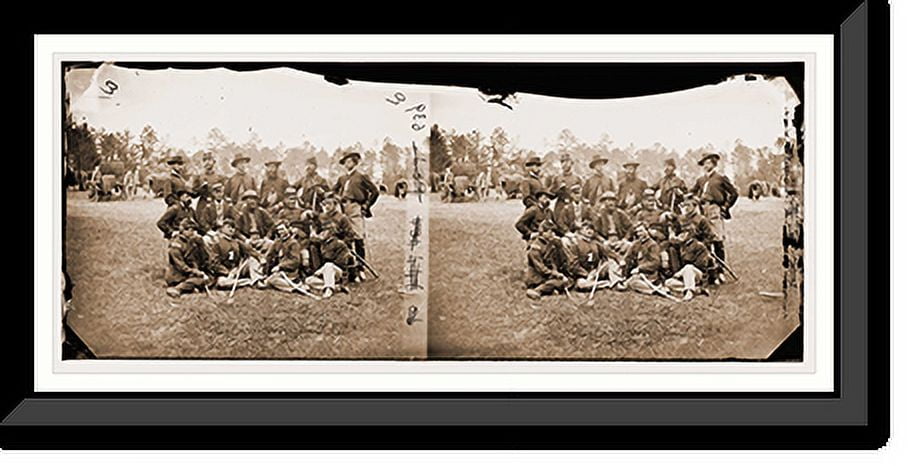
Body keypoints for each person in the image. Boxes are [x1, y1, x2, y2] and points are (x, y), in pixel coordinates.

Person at [691, 152, 739, 280]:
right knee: (705, 240)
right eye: (704, 164)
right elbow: (692, 193)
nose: (706, 166)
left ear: (713, 163)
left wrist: (725, 207)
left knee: (717, 240)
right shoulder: (700, 180)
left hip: (714, 210)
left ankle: (720, 271)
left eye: (708, 163)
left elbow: (734, 193)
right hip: (702, 210)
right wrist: (692, 197)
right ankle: (708, 270)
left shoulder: (721, 178)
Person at [332, 152, 379, 280]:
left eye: (349, 161)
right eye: (345, 162)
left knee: (358, 237)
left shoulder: (361, 176)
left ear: (355, 162)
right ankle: (349, 268)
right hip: (343, 208)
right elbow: (333, 191)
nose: (347, 164)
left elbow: (375, 191)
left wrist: (366, 206)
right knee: (345, 237)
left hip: (355, 207)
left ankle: (361, 268)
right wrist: (335, 198)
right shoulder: (342, 178)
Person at [207, 218, 265, 290]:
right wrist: (227, 272)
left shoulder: (237, 242)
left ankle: (257, 280)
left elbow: (250, 251)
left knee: (252, 260)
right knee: (222, 283)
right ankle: (248, 282)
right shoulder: (217, 243)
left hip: (238, 269)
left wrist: (260, 257)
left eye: (233, 228)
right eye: (228, 227)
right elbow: (214, 262)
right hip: (226, 273)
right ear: (222, 229)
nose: (231, 229)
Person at [663, 223, 716, 300]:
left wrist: (681, 272)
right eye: (680, 234)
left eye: (683, 233)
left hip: (698, 274)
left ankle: (689, 291)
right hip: (687, 276)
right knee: (668, 283)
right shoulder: (681, 246)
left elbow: (701, 265)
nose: (680, 236)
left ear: (689, 234)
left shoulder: (699, 246)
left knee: (688, 268)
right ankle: (697, 290)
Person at [568, 221, 626, 291]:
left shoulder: (596, 244)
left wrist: (620, 260)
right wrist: (586, 274)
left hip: (597, 271)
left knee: (611, 263)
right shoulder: (575, 244)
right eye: (586, 229)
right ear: (580, 231)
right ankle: (607, 284)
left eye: (591, 229)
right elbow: (573, 264)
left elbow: (609, 252)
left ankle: (616, 283)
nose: (590, 231)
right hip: (584, 275)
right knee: (582, 285)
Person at [306, 219, 357, 298]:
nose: (321, 234)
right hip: (327, 272)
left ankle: (329, 289)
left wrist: (321, 270)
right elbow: (312, 239)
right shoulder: (323, 243)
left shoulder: (339, 244)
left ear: (331, 232)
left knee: (328, 265)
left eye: (324, 231)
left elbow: (341, 263)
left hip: (338, 272)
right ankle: (337, 287)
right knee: (308, 281)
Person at [164, 218, 212, 297]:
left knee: (209, 278)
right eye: (191, 230)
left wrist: (201, 245)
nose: (193, 233)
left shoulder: (193, 242)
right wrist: (195, 272)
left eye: (194, 230)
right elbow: (180, 265)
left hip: (190, 273)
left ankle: (191, 287)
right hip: (177, 275)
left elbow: (204, 259)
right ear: (183, 230)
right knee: (200, 280)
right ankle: (178, 288)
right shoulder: (176, 244)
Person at [525, 220, 571, 300]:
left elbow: (557, 262)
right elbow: (540, 268)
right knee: (559, 282)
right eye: (550, 232)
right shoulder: (535, 246)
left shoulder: (552, 243)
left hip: (549, 275)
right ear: (543, 232)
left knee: (568, 281)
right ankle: (537, 290)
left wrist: (560, 246)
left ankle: (550, 290)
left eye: (553, 232)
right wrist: (555, 274)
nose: (553, 234)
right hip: (538, 276)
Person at [623, 222, 669, 296]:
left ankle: (654, 290)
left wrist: (640, 268)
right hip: (638, 274)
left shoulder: (652, 245)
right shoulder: (636, 244)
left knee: (632, 283)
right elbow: (627, 257)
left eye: (641, 231)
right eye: (637, 232)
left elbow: (655, 263)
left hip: (649, 274)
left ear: (647, 231)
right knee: (628, 283)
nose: (639, 234)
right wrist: (623, 264)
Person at [262, 222, 307, 293]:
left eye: (282, 229)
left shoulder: (293, 243)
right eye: (279, 230)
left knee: (272, 281)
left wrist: (280, 266)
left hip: (290, 272)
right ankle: (290, 285)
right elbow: (269, 255)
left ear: (288, 229)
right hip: (279, 271)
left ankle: (295, 288)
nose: (280, 232)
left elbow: (295, 261)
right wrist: (265, 266)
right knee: (267, 282)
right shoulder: (277, 242)